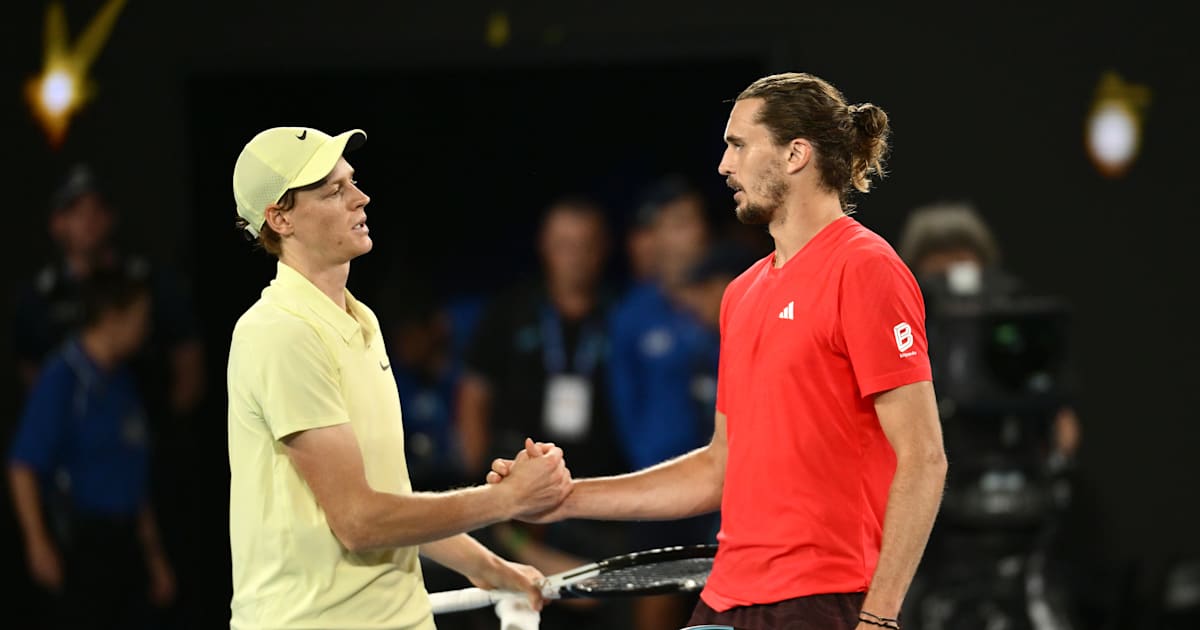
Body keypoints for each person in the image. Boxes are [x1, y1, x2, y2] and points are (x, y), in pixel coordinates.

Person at [489, 72, 948, 630]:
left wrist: (879, 617)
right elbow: (718, 468)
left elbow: (924, 457)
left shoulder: (866, 268)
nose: (724, 165)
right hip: (726, 598)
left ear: (796, 154)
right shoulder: (742, 294)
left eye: (739, 145)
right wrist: (561, 498)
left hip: (827, 598)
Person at [226, 126, 571, 630]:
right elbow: (360, 522)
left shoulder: (361, 319)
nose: (360, 198)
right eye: (334, 191)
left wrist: (489, 568)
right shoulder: (280, 332)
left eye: (352, 182)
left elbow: (392, 500)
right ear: (280, 218)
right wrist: (506, 500)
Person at [456, 197, 633, 629]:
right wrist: (478, 477)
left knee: (604, 599)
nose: (575, 257)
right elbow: (474, 393)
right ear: (544, 247)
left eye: (585, 245)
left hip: (602, 486)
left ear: (604, 248)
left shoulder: (624, 313)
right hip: (517, 482)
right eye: (564, 245)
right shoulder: (512, 310)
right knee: (512, 596)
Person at [7, 266, 176, 630]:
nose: (145, 328)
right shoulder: (63, 377)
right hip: (81, 545)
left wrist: (154, 558)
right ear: (112, 318)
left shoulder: (124, 382)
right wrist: (37, 543)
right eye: (139, 318)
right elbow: (23, 465)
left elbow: (134, 480)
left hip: (126, 547)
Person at [606, 175, 722, 629]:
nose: (691, 233)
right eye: (677, 223)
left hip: (726, 483)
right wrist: (648, 474)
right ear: (654, 236)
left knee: (723, 602)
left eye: (694, 221)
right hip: (661, 484)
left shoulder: (731, 298)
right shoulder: (632, 314)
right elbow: (623, 404)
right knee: (655, 604)